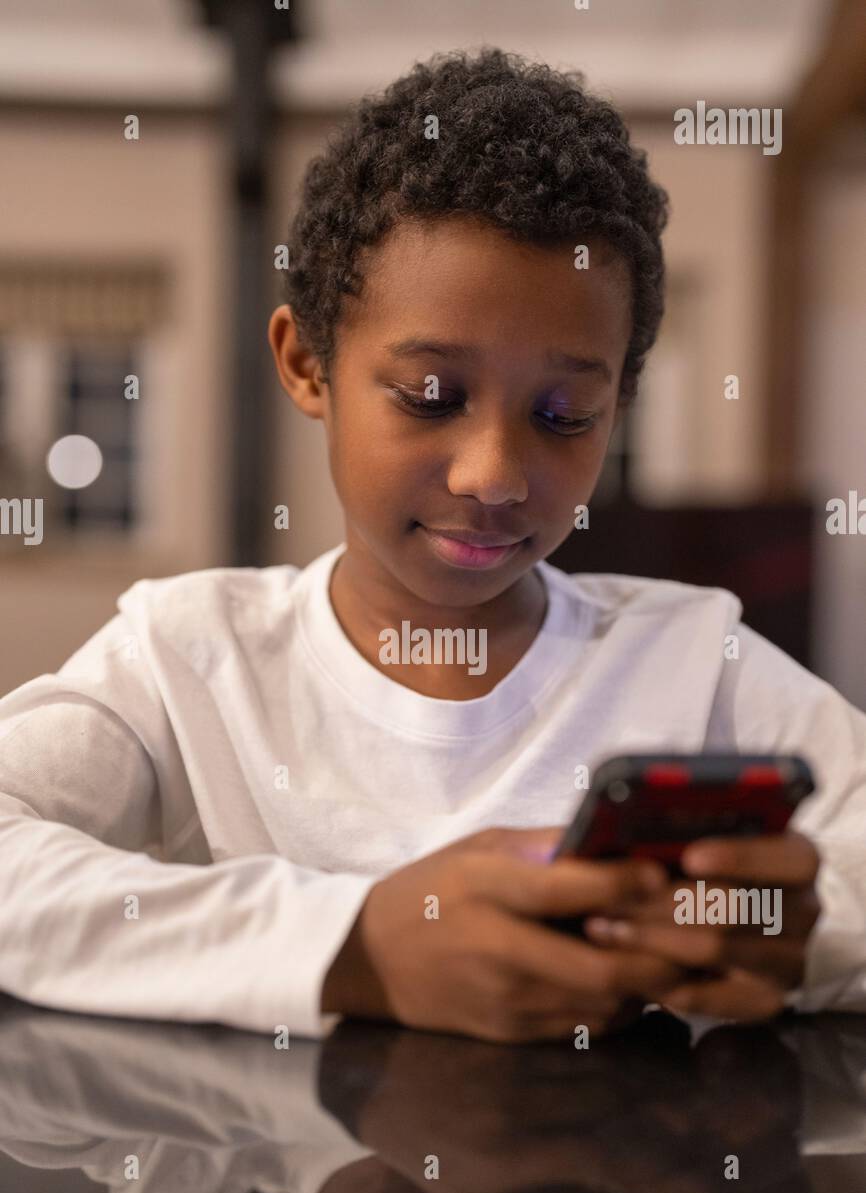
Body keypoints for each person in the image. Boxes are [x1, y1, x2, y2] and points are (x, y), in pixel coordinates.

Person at [0, 49, 864, 1044]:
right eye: (430, 398)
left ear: (618, 408)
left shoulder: (691, 662)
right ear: (306, 363)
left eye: (563, 413)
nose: (492, 473)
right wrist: (356, 945)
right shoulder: (186, 659)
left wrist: (802, 937)